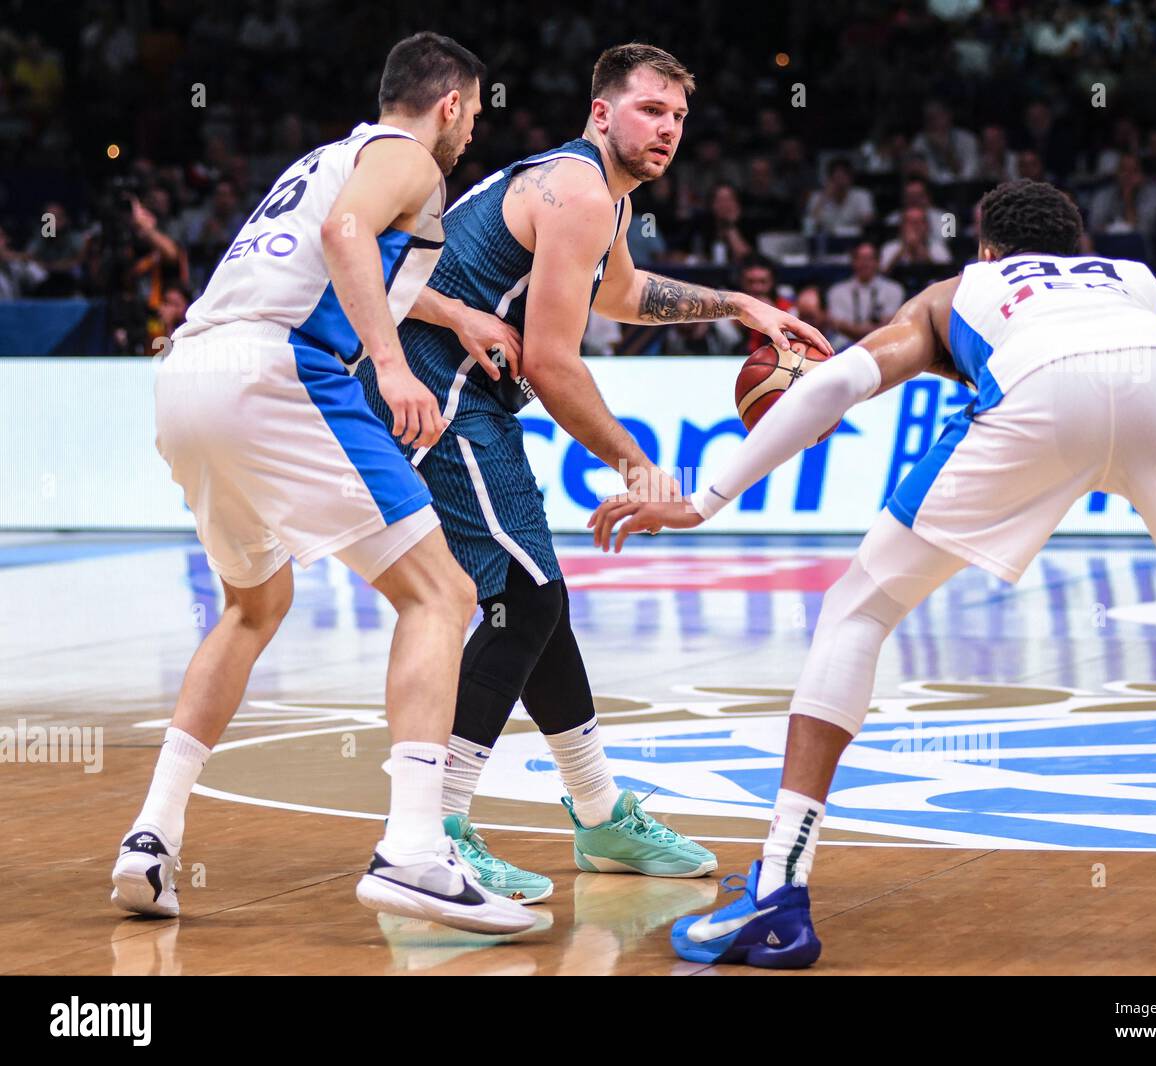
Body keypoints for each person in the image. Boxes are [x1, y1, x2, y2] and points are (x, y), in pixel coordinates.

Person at [593, 179, 1156, 968]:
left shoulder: (962, 289)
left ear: (988, 251)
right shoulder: (1139, 282)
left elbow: (832, 382)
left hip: (1038, 395)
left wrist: (703, 500)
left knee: (857, 614)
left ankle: (779, 894)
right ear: (1081, 248)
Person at [358, 43, 831, 903]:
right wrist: (648, 474)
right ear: (603, 113)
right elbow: (552, 364)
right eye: (652, 110)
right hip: (438, 394)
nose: (669, 129)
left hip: (460, 396)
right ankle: (444, 828)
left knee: (535, 599)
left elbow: (621, 294)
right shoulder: (577, 192)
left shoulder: (594, 199)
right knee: (526, 600)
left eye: (680, 117)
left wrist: (737, 304)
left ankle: (601, 811)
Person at [112, 32, 534, 935]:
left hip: (189, 372)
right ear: (452, 104)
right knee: (442, 594)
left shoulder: (327, 157)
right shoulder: (415, 159)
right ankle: (416, 853)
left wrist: (452, 311)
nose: (471, 136)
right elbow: (348, 239)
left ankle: (151, 835)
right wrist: (390, 366)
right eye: (474, 114)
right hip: (282, 369)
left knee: (253, 606)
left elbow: (345, 253)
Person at [826, 242, 905, 339]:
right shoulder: (836, 292)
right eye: (860, 258)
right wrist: (858, 332)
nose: (865, 263)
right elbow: (838, 324)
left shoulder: (894, 290)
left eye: (869, 259)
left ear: (878, 261)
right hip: (846, 342)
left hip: (881, 340)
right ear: (853, 261)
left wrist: (858, 331)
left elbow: (889, 323)